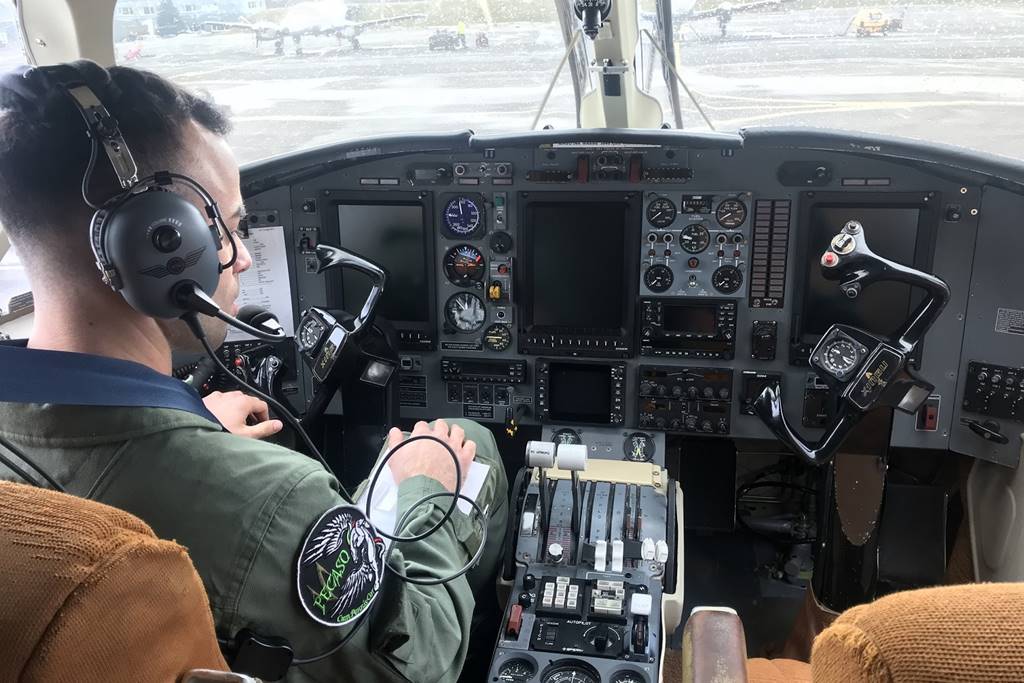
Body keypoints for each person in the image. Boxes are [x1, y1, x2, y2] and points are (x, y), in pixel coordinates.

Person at [0, 61, 508, 682]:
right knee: (464, 442)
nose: (240, 257)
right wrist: (421, 489)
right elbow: (418, 664)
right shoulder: (271, 498)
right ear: (153, 245)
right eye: (229, 227)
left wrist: (193, 431)